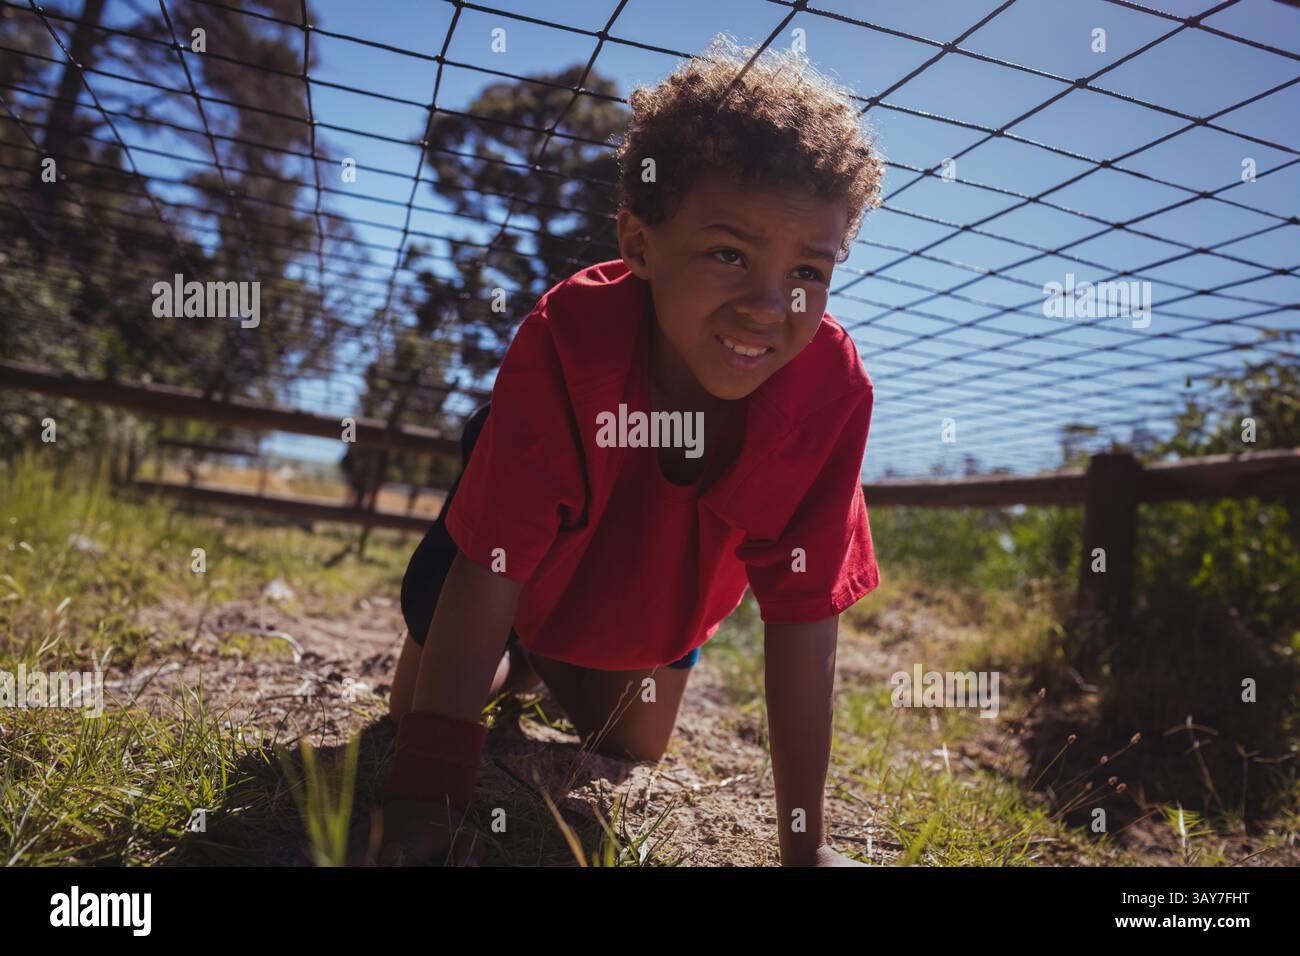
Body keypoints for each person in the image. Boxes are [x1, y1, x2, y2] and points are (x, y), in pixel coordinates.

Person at [350, 37, 885, 867]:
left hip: (650, 588)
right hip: (503, 560)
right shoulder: (569, 340)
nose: (769, 307)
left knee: (634, 743)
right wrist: (426, 800)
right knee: (415, 710)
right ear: (638, 244)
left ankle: (533, 662)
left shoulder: (830, 391)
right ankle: (505, 657)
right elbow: (492, 560)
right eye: (729, 254)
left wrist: (804, 848)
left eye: (810, 271)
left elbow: (805, 616)